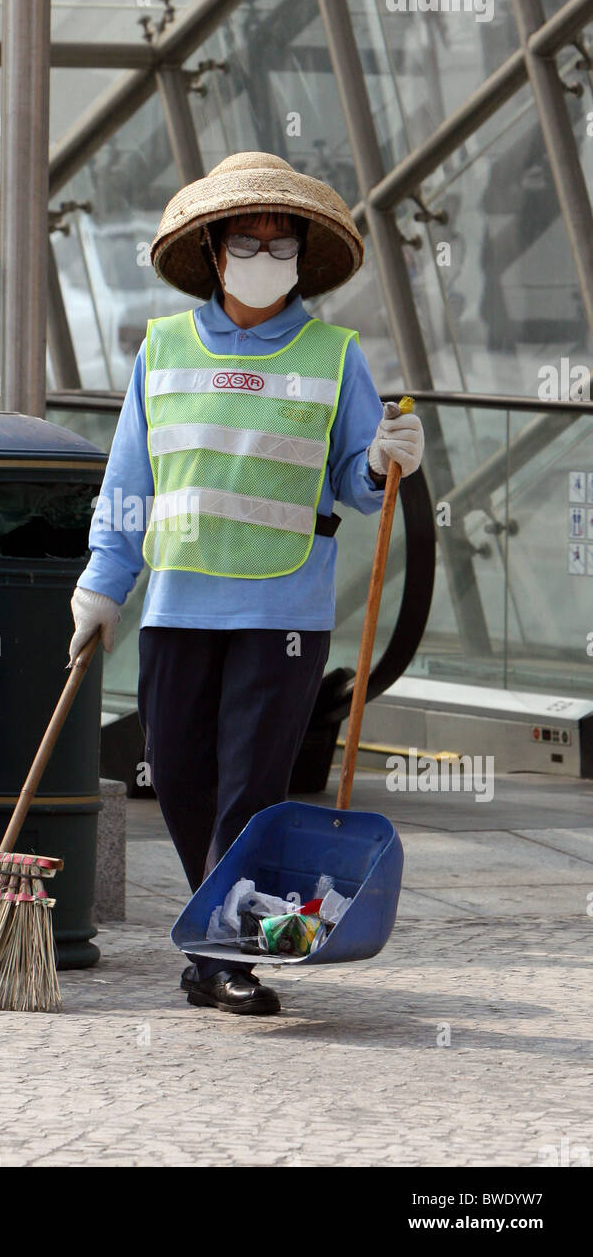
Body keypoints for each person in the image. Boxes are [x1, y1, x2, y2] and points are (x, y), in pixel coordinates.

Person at [69, 152, 424, 1015]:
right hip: (178, 604)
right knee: (182, 777)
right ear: (214, 247)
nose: (264, 254)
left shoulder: (334, 356)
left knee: (249, 788)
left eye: (280, 241)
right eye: (247, 239)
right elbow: (128, 485)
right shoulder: (159, 350)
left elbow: (352, 480)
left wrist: (382, 465)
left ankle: (224, 954)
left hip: (284, 610)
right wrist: (102, 584)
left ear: (303, 253)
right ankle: (221, 930)